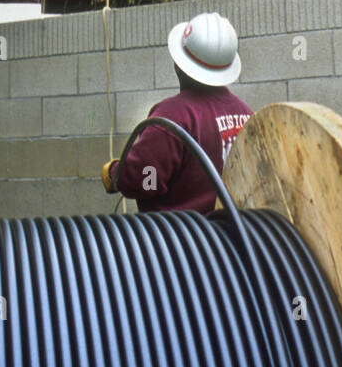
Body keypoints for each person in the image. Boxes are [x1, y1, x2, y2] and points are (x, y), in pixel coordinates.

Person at [101, 12, 253, 216]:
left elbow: (146, 182)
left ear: (178, 65)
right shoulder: (246, 114)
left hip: (180, 241)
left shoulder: (172, 116)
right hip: (231, 239)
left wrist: (116, 173)